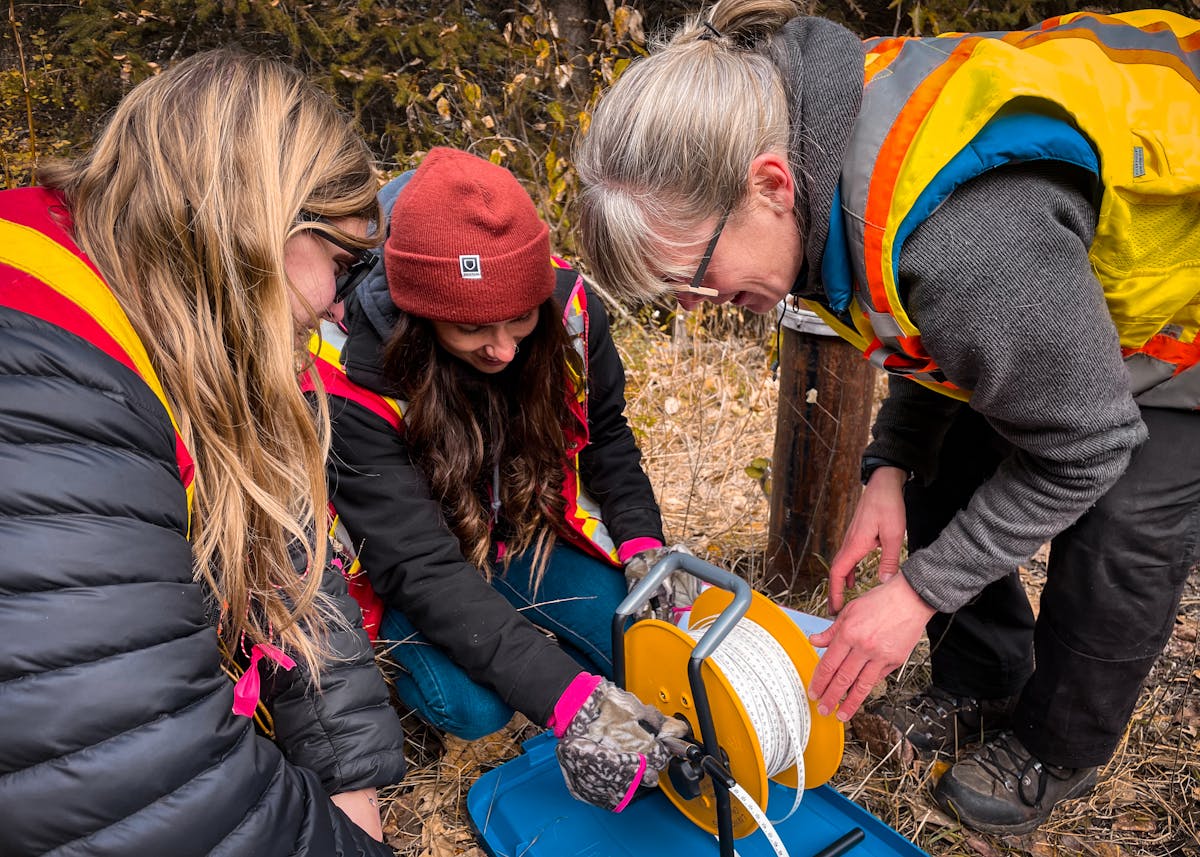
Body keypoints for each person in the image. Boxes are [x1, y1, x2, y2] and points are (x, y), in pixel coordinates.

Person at [573, 0, 1200, 835]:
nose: (704, 305)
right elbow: (933, 322)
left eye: (694, 274)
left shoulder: (960, 242)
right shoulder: (814, 147)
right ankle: (982, 681)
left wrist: (916, 593)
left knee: (1120, 529)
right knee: (944, 464)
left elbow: (1086, 440)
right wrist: (892, 464)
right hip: (1043, 295)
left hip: (1179, 309)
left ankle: (1058, 747)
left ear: (769, 185)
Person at [0, 49, 408, 856]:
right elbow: (129, 777)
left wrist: (349, 777)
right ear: (265, 223)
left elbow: (292, 555)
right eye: (341, 263)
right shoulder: (48, 377)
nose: (333, 307)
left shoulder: (181, 329)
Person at [309, 147, 690, 812]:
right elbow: (421, 566)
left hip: (515, 533)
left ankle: (515, 627)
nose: (503, 347)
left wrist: (643, 548)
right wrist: (570, 703)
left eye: (519, 317)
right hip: (414, 564)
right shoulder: (351, 374)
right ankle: (415, 666)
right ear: (419, 313)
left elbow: (608, 438)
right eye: (469, 326)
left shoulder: (569, 310)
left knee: (633, 645)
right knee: (476, 709)